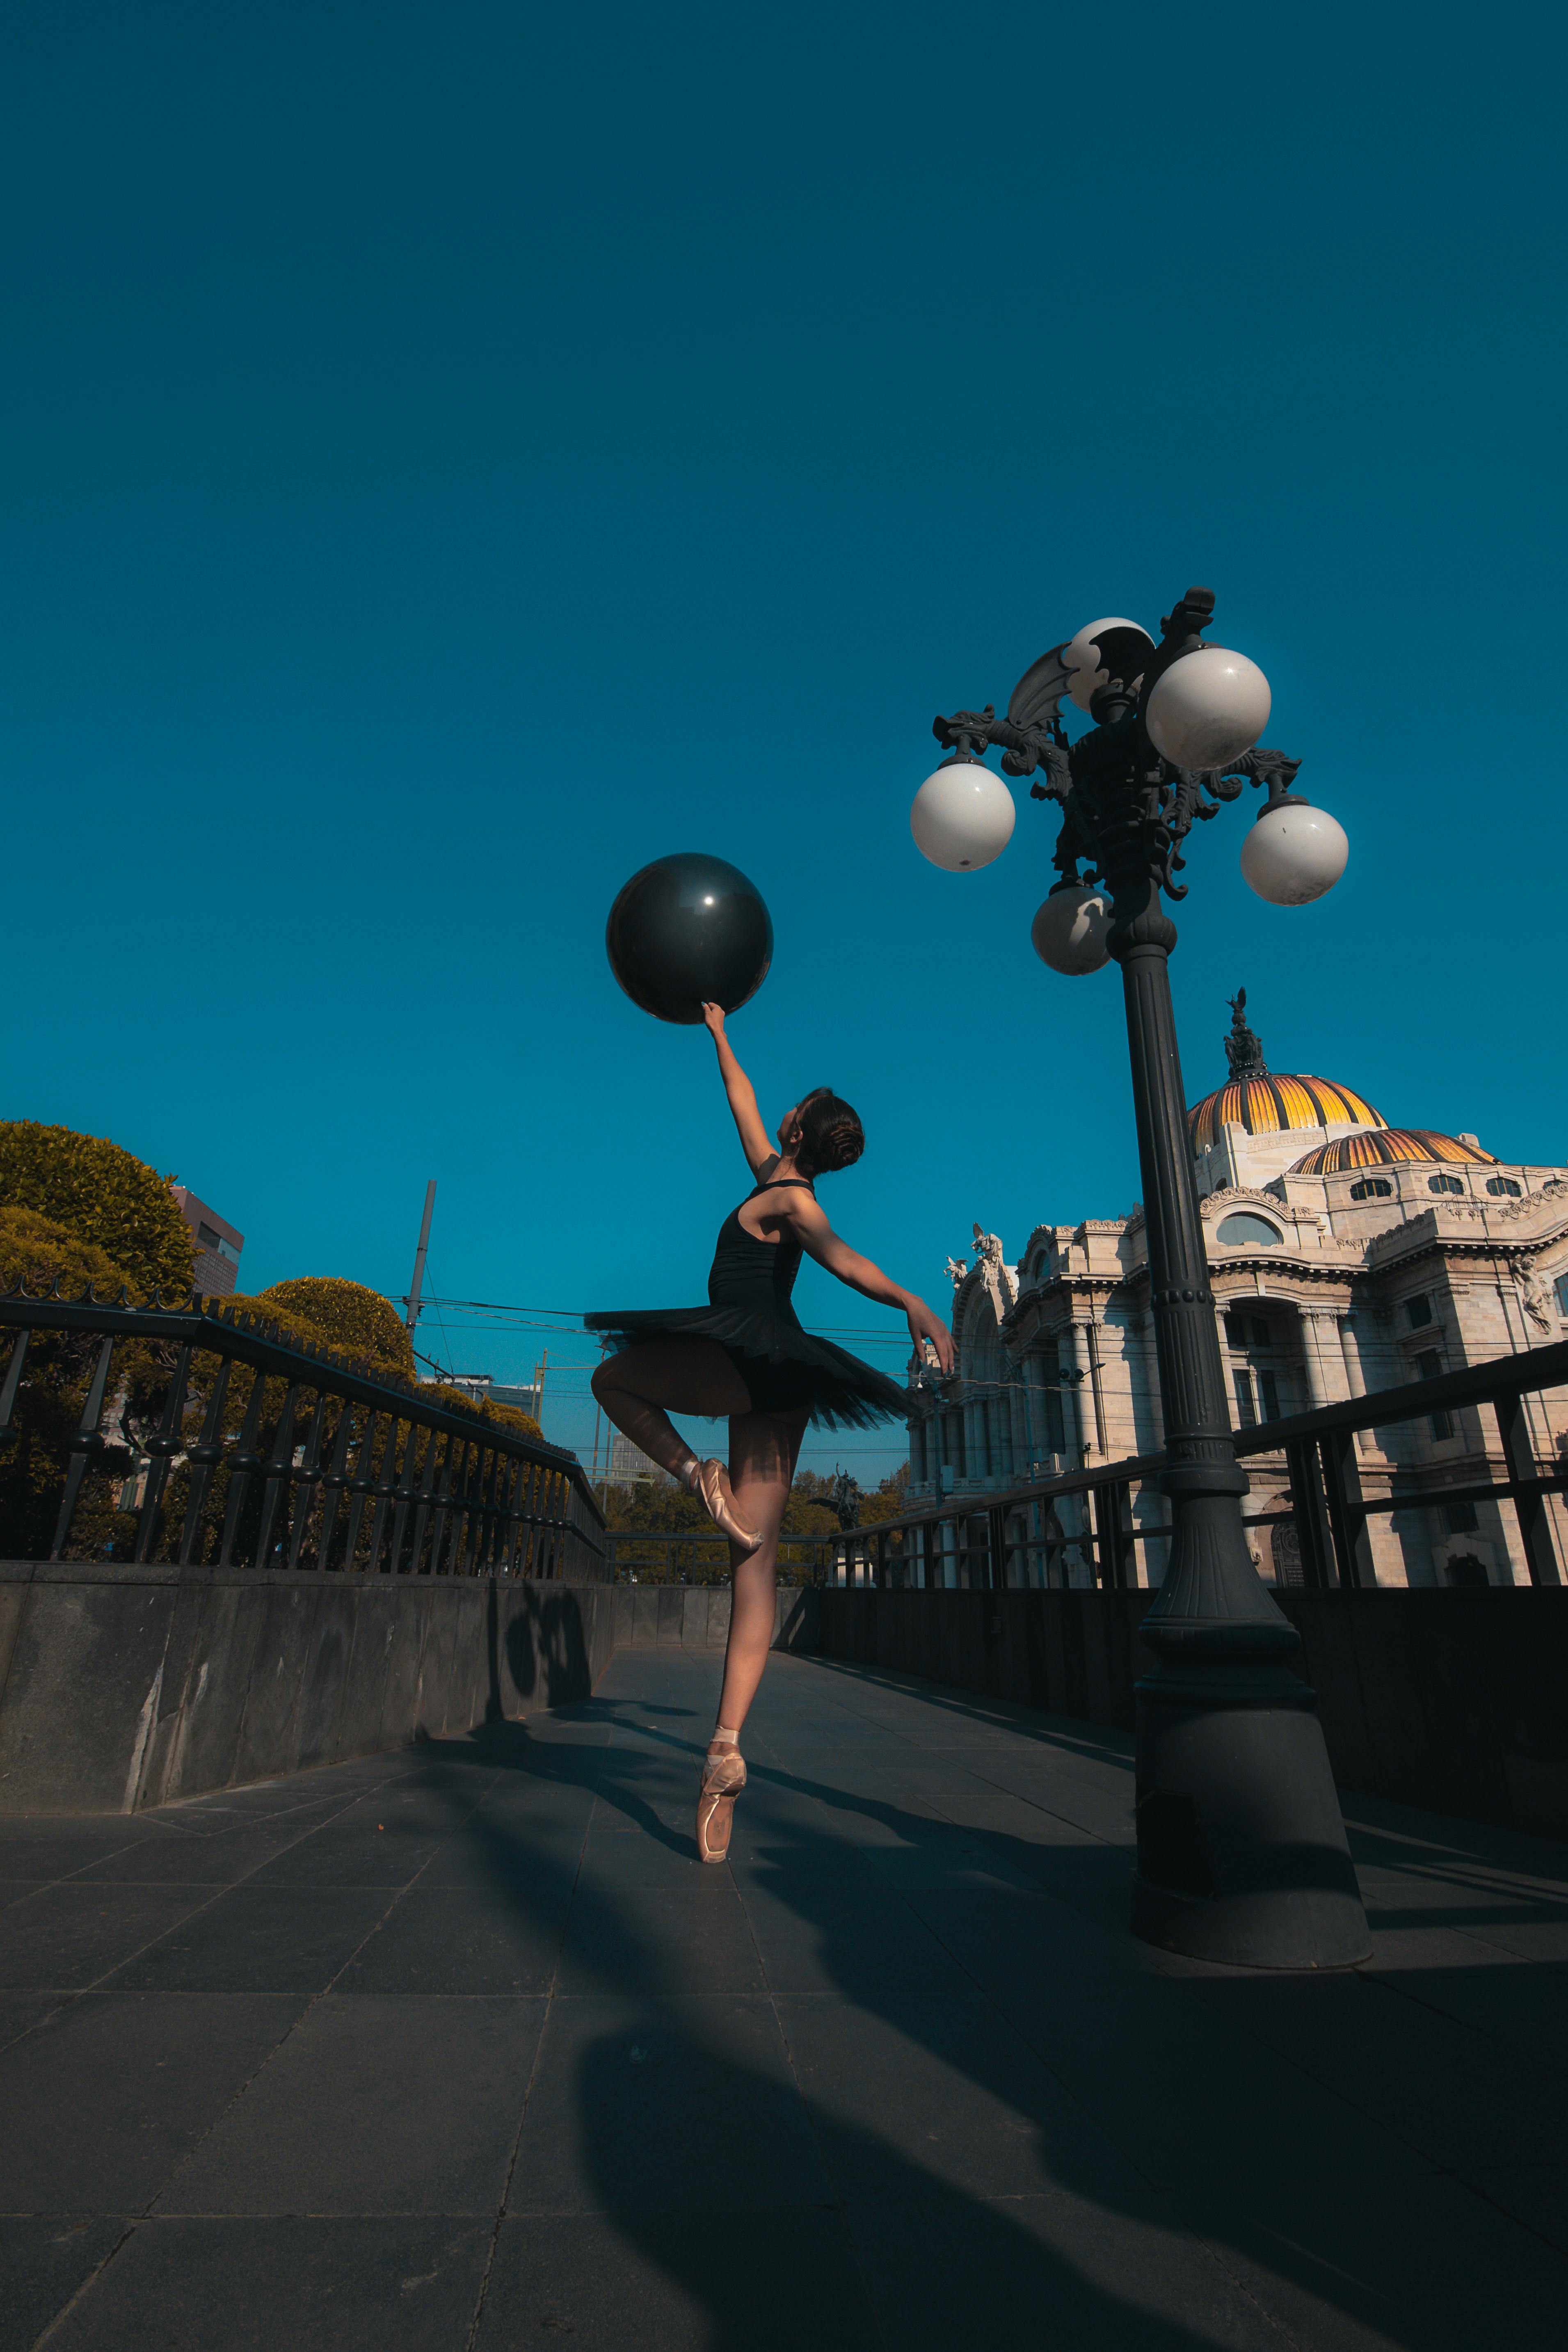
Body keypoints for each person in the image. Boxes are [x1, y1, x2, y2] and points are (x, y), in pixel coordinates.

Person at [587, 1003, 955, 1863]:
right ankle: (722, 1749)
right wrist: (718, 1032)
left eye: (793, 1104)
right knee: (753, 1563)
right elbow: (739, 1099)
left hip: (743, 1352)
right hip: (780, 1378)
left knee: (612, 1380)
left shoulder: (787, 1197)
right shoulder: (776, 1177)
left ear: (799, 1125)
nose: (776, 1107)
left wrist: (911, 1299)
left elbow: (843, 1257)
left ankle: (691, 1472)